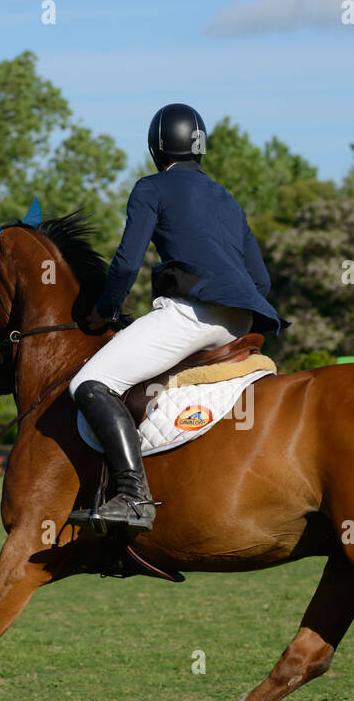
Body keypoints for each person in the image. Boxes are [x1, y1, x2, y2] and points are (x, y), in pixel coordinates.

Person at [68, 103, 285, 536]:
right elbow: (261, 279)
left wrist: (105, 310)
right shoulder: (226, 197)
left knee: (88, 385)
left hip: (192, 314)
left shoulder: (151, 188)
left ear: (156, 147)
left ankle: (131, 496)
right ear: (199, 146)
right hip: (243, 321)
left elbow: (127, 264)